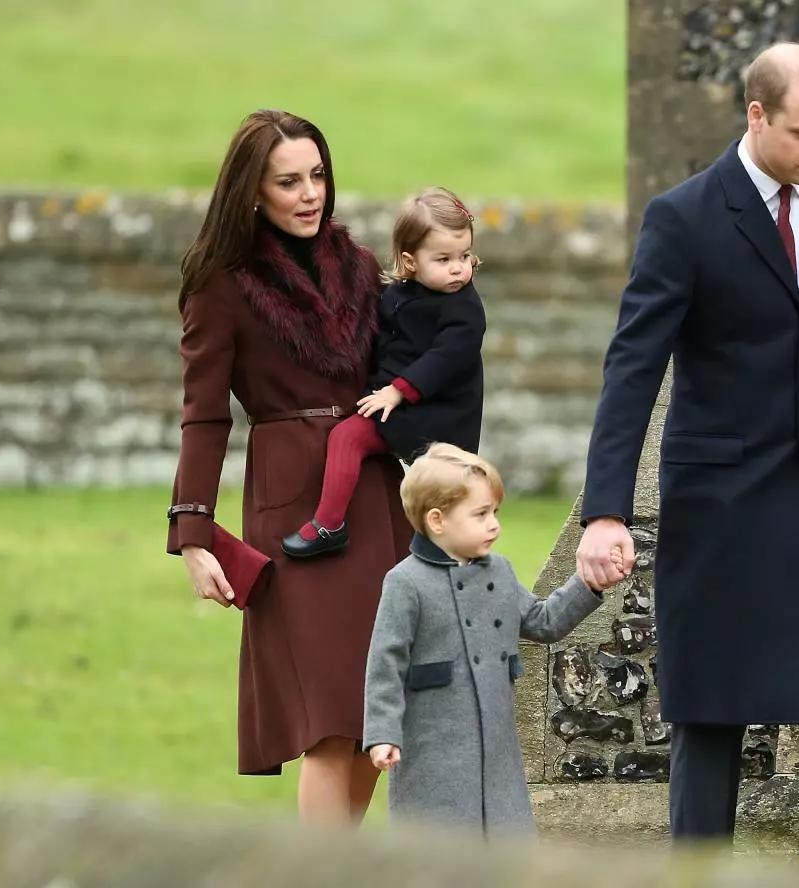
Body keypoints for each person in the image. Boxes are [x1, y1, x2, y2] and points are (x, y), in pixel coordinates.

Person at [574, 43, 799, 856]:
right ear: (756, 115)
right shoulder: (685, 216)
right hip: (721, 506)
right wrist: (605, 511)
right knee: (711, 717)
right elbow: (632, 368)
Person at [166, 109, 412, 824]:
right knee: (329, 717)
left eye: (318, 176)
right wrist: (193, 532)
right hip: (293, 508)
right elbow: (204, 415)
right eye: (288, 181)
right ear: (252, 192)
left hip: (374, 495)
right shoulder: (220, 284)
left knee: (376, 715)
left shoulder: (361, 267)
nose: (309, 194)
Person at [362, 443, 607, 838]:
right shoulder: (405, 582)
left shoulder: (501, 571)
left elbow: (543, 622)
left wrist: (588, 583)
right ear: (437, 520)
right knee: (438, 861)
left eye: (494, 512)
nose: (494, 524)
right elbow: (385, 664)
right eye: (480, 514)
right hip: (433, 754)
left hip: (497, 759)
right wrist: (383, 734)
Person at [282, 187, 487, 559]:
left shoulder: (464, 309)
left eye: (465, 255)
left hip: (438, 417)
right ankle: (335, 524)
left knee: (441, 493)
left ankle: (443, 555)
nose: (459, 267)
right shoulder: (397, 294)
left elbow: (445, 359)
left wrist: (398, 390)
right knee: (349, 439)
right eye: (443, 259)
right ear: (410, 262)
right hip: (397, 404)